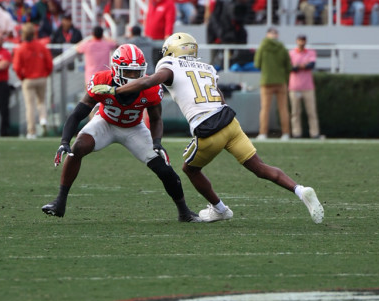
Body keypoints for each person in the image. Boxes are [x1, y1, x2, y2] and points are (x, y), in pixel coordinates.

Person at [111, 32, 324, 225]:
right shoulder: (207, 68)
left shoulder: (169, 64)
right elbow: (220, 98)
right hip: (229, 122)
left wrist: (116, 90)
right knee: (259, 167)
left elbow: (147, 82)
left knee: (190, 170)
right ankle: (300, 190)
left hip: (208, 127)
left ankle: (220, 209)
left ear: (173, 50)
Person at [42, 43, 198, 222]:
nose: (133, 77)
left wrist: (157, 142)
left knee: (164, 170)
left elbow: (155, 119)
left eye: (137, 73)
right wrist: (64, 141)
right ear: (116, 69)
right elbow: (78, 113)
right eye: (128, 72)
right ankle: (60, 202)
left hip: (134, 128)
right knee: (77, 148)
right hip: (105, 123)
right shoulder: (102, 80)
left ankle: (184, 211)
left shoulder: (151, 87)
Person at [13, 23, 53, 139]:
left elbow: (16, 67)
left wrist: (22, 77)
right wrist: (45, 74)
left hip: (28, 79)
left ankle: (31, 131)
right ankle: (43, 119)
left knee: (30, 106)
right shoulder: (41, 46)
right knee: (42, 101)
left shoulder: (20, 48)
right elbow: (49, 63)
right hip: (41, 78)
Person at [253, 26, 291, 141]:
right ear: (277, 35)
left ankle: (263, 133)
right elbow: (288, 66)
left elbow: (257, 64)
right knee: (283, 109)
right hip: (281, 81)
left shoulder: (263, 47)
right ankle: (285, 133)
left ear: (267, 35)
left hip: (266, 81)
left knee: (265, 109)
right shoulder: (282, 48)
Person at [288, 34, 322, 139]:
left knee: (311, 111)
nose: (301, 42)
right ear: (296, 41)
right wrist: (302, 66)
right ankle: (296, 133)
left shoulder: (310, 52)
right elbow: (290, 68)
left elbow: (311, 65)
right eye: (300, 40)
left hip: (308, 87)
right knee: (295, 112)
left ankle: (314, 133)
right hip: (294, 87)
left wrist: (298, 66)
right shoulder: (291, 53)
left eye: (303, 40)